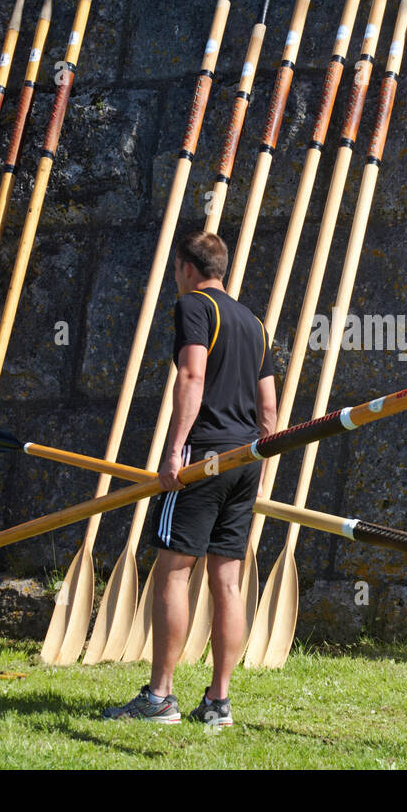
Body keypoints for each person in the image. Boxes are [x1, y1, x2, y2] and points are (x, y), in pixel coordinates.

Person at [103, 231, 276, 727]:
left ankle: (160, 697)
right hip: (246, 460)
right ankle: (218, 703)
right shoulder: (254, 323)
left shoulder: (193, 306)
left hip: (204, 460)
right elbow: (270, 408)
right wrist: (262, 469)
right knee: (227, 580)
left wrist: (176, 450)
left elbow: (192, 376)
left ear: (184, 267)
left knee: (174, 571)